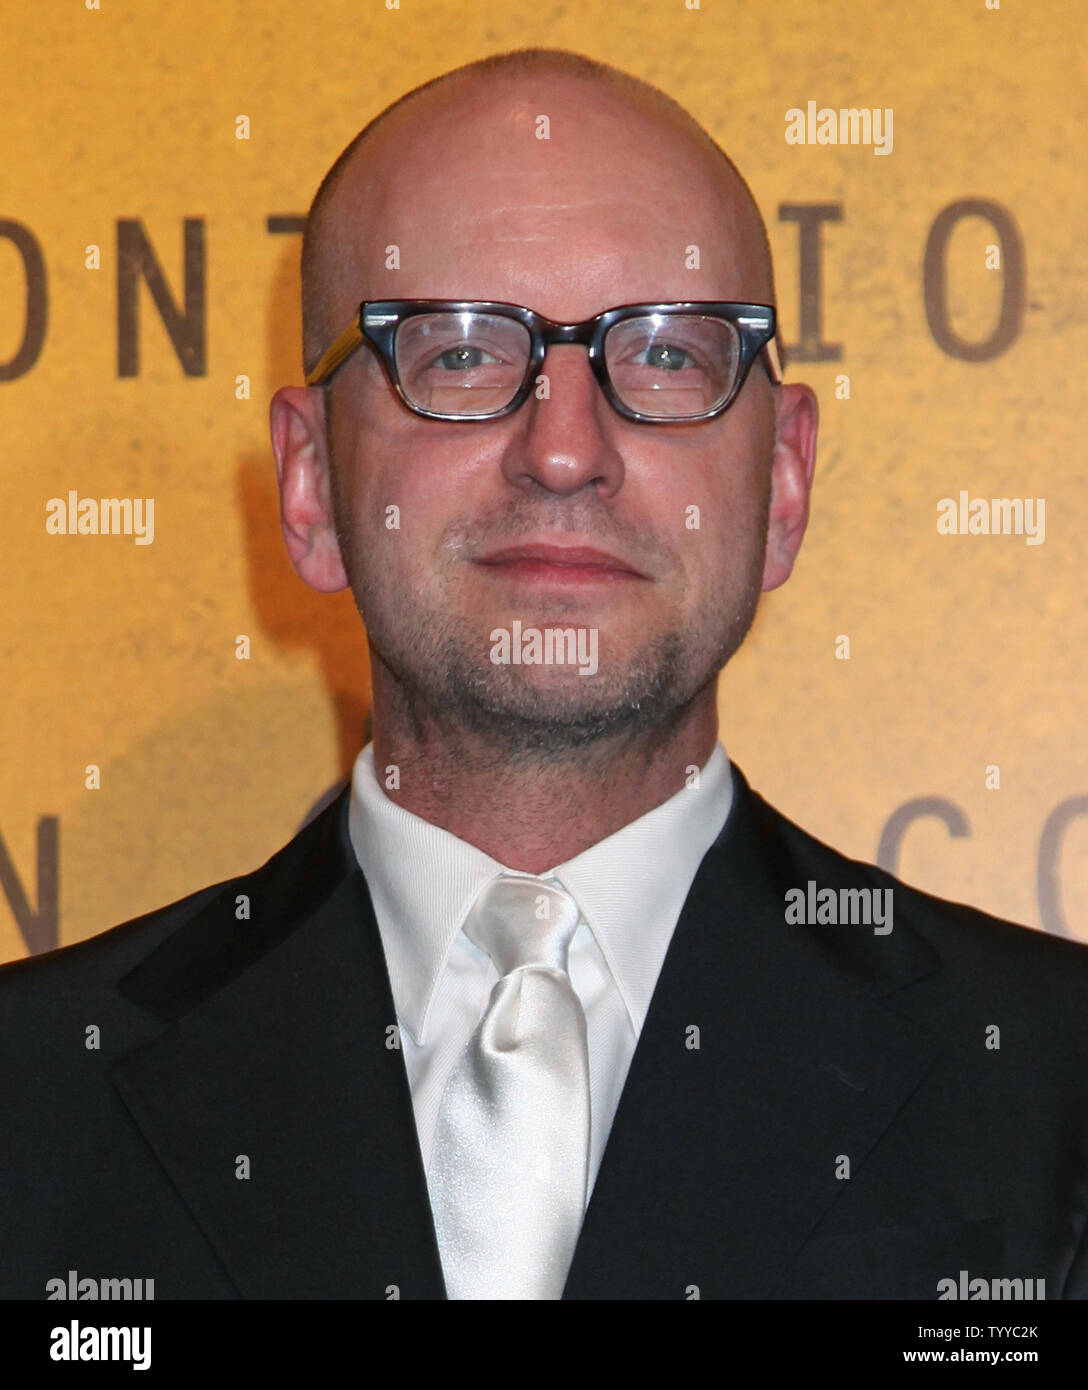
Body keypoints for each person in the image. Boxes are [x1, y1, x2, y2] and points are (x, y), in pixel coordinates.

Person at [2, 46, 1087, 1303]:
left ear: (783, 483)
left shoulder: (1052, 1094)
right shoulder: (29, 1103)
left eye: (667, 356)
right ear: (308, 484)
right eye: (457, 352)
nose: (564, 450)